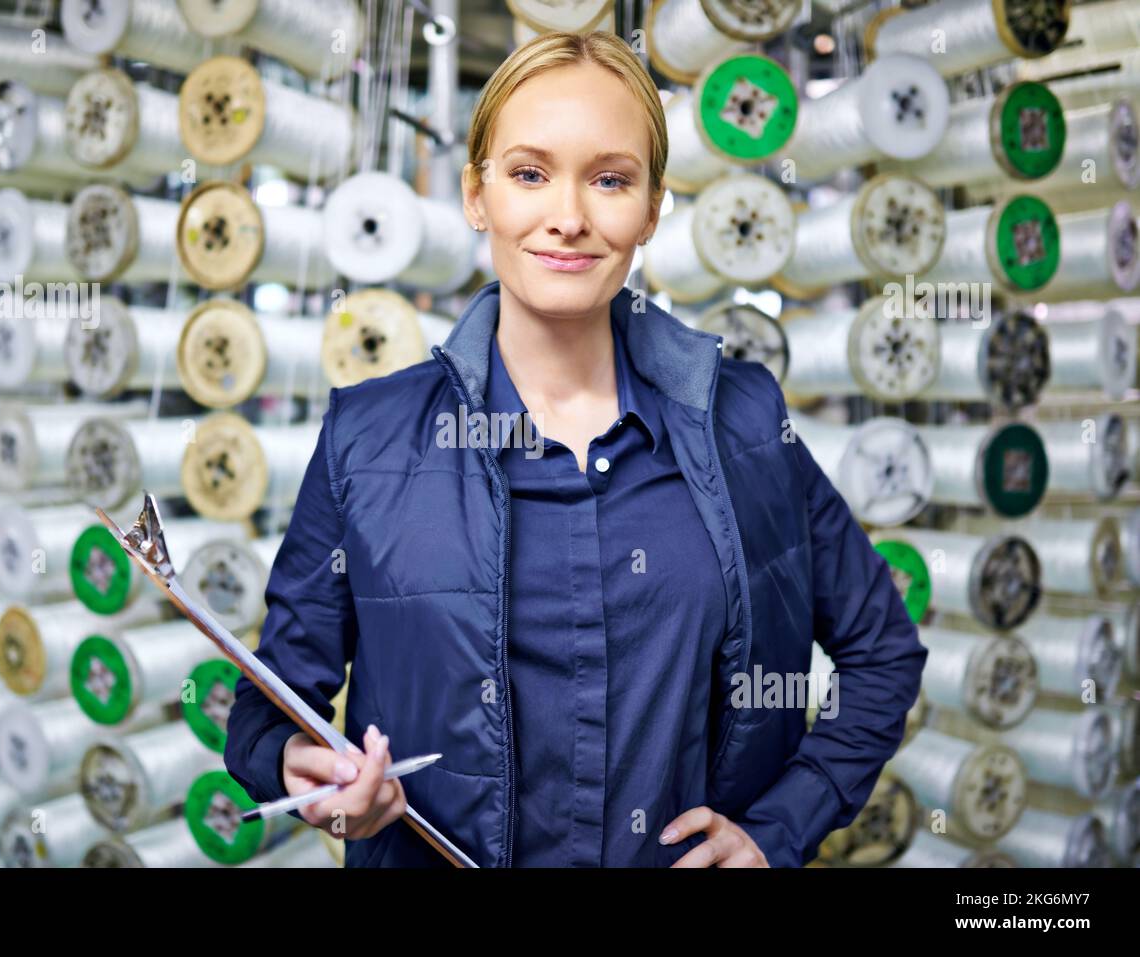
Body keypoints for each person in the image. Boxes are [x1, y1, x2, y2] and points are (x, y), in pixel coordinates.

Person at [225, 30, 926, 868]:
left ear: (653, 207)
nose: (569, 216)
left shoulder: (744, 424)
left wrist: (776, 831)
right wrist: (306, 771)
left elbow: (882, 650)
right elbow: (267, 709)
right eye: (529, 173)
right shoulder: (367, 439)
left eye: (610, 179)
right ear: (476, 196)